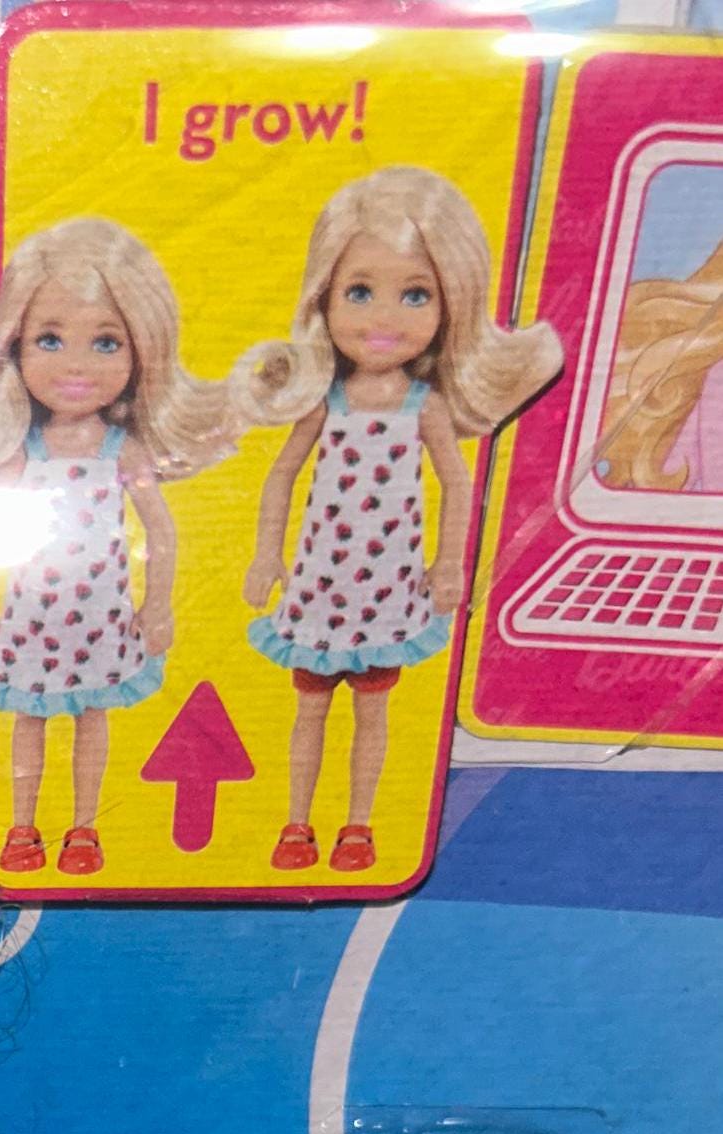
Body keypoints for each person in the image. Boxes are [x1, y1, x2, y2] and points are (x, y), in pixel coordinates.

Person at [234, 169, 561, 875]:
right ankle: (296, 821)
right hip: (320, 588)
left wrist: (450, 564)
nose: (384, 317)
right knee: (309, 710)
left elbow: (456, 482)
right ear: (323, 297)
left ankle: (357, 824)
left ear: (449, 306)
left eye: (415, 295)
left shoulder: (423, 406)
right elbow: (281, 473)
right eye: (359, 292)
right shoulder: (324, 399)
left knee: (373, 711)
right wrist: (266, 554)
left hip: (387, 590)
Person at [0, 218, 227, 881]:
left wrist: (157, 605)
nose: (75, 364)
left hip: (101, 619)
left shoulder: (122, 450)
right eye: (50, 339)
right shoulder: (21, 451)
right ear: (16, 347)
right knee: (28, 721)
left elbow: (162, 531)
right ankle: (22, 826)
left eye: (105, 342)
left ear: (139, 352)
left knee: (93, 718)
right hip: (32, 619)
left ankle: (84, 827)